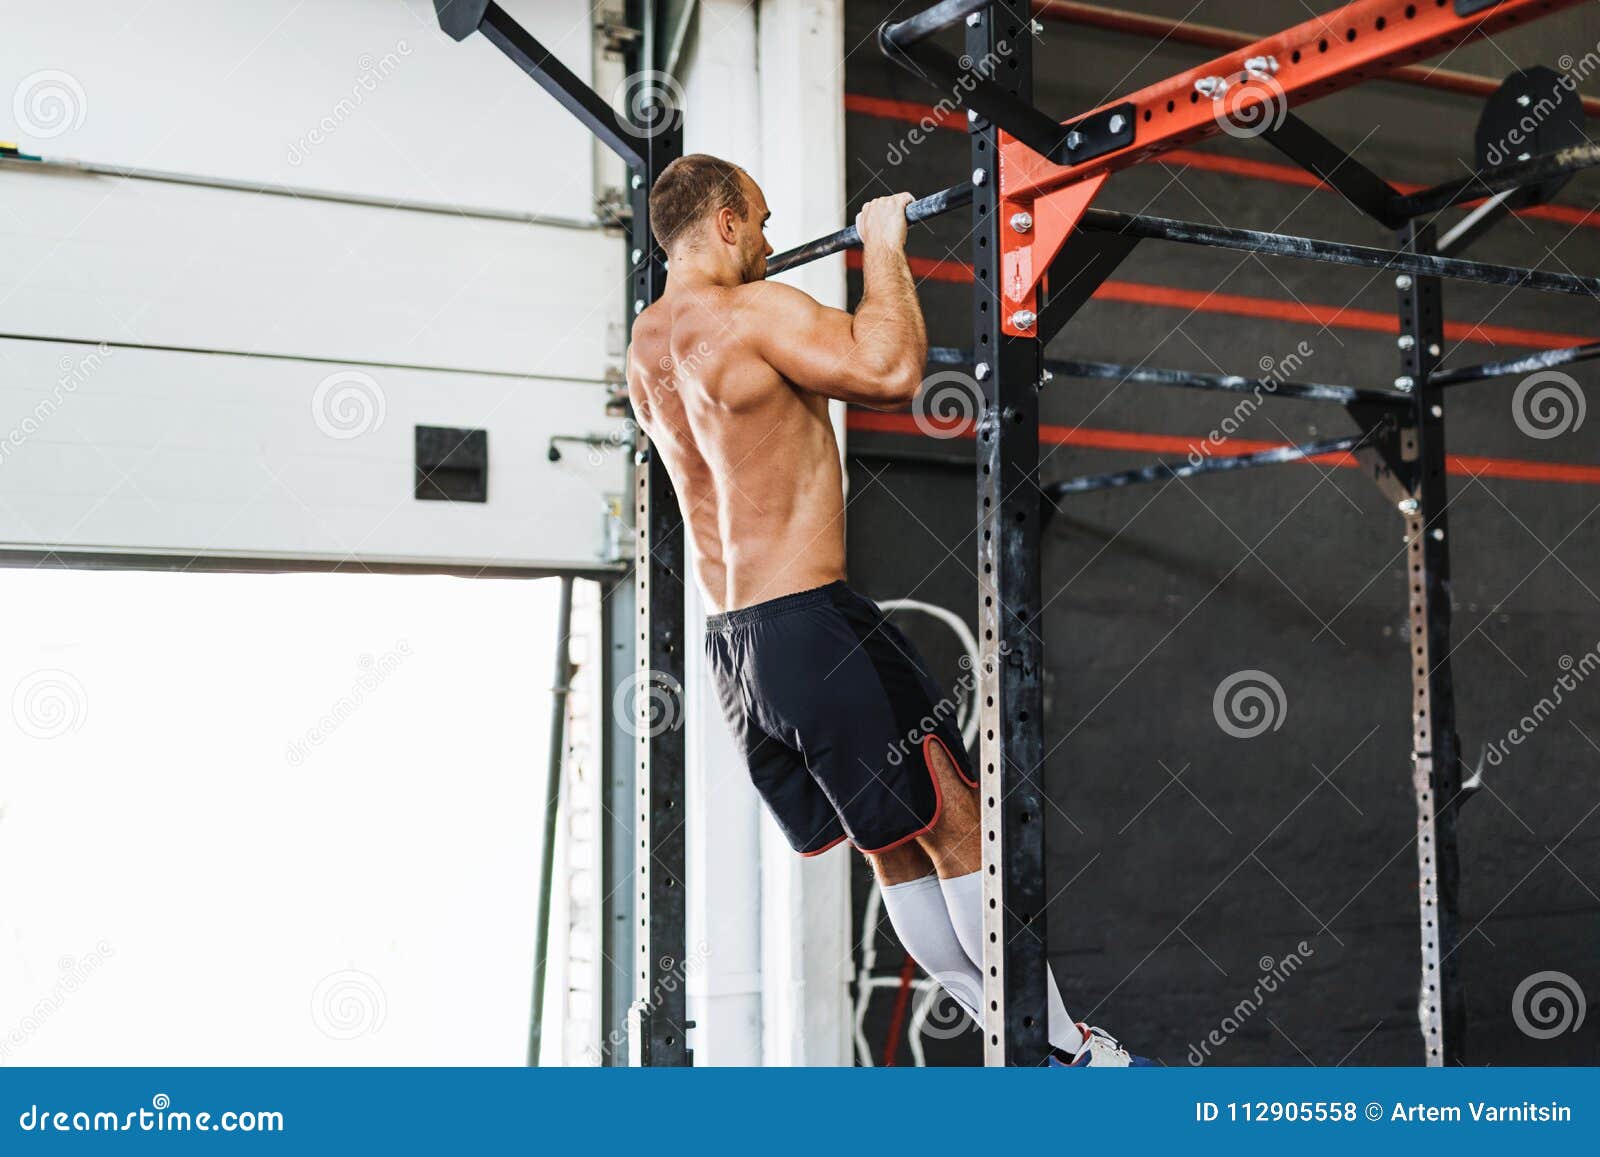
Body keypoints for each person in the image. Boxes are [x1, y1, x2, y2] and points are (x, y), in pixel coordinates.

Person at [625, 153, 1151, 1067]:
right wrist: (884, 247)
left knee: (896, 849)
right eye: (761, 220)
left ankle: (1040, 1050)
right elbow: (890, 367)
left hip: (738, 654)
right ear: (723, 223)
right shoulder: (751, 313)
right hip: (812, 624)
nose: (772, 242)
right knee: (954, 817)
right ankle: (1074, 1055)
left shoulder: (645, 345)